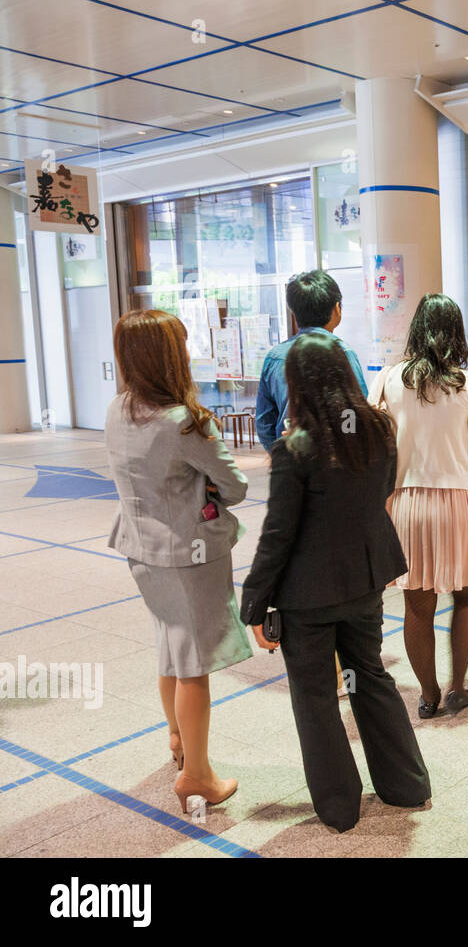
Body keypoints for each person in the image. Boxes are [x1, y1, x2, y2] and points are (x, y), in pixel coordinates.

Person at [240, 332, 430, 833]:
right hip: (365, 579)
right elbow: (382, 492)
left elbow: (277, 535)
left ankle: (340, 807)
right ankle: (407, 785)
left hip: (308, 594)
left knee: (316, 694)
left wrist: (254, 604)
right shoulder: (379, 430)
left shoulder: (295, 448)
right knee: (371, 675)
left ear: (298, 384)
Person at [104, 310, 252, 816]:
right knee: (195, 663)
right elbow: (235, 486)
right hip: (189, 555)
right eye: (183, 343)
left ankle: (176, 738)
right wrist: (206, 484)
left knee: (170, 643)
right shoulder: (185, 421)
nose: (189, 351)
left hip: (140, 548)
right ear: (169, 355)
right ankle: (197, 774)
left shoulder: (118, 410)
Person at [369, 294, 468, 720]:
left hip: (406, 503)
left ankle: (427, 694)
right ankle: (458, 685)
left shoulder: (390, 379)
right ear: (456, 331)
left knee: (417, 605)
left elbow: (374, 440)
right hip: (458, 500)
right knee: (467, 594)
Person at [255, 269, 367, 451]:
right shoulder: (343, 352)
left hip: (292, 460)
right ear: (337, 308)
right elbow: (355, 412)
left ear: (294, 312)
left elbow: (264, 422)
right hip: (336, 462)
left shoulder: (275, 356)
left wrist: (281, 456)